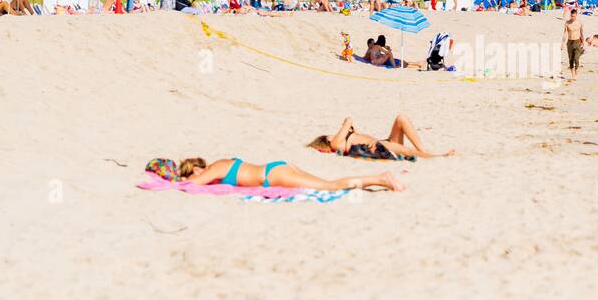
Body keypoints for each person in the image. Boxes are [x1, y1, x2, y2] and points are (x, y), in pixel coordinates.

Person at [154, 156, 403, 192]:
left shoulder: (214, 168)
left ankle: (380, 179)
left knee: (332, 187)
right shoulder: (221, 163)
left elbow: (192, 184)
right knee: (328, 183)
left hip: (272, 177)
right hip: (277, 167)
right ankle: (380, 179)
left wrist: (174, 179)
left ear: (196, 168)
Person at [308, 115, 455, 160]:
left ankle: (424, 151)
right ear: (326, 139)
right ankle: (437, 156)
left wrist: (351, 130)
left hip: (383, 143)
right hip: (378, 148)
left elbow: (356, 133)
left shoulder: (342, 138)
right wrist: (347, 124)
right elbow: (348, 121)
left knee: (401, 119)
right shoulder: (335, 143)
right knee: (407, 151)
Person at [563, 7, 584, 82]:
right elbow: (565, 34)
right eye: (571, 16)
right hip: (570, 42)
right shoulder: (567, 23)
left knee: (576, 59)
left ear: (576, 15)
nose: (572, 18)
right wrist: (562, 44)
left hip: (577, 41)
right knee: (571, 59)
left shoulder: (579, 23)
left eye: (574, 16)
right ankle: (573, 75)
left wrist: (583, 42)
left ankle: (576, 71)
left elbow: (581, 33)